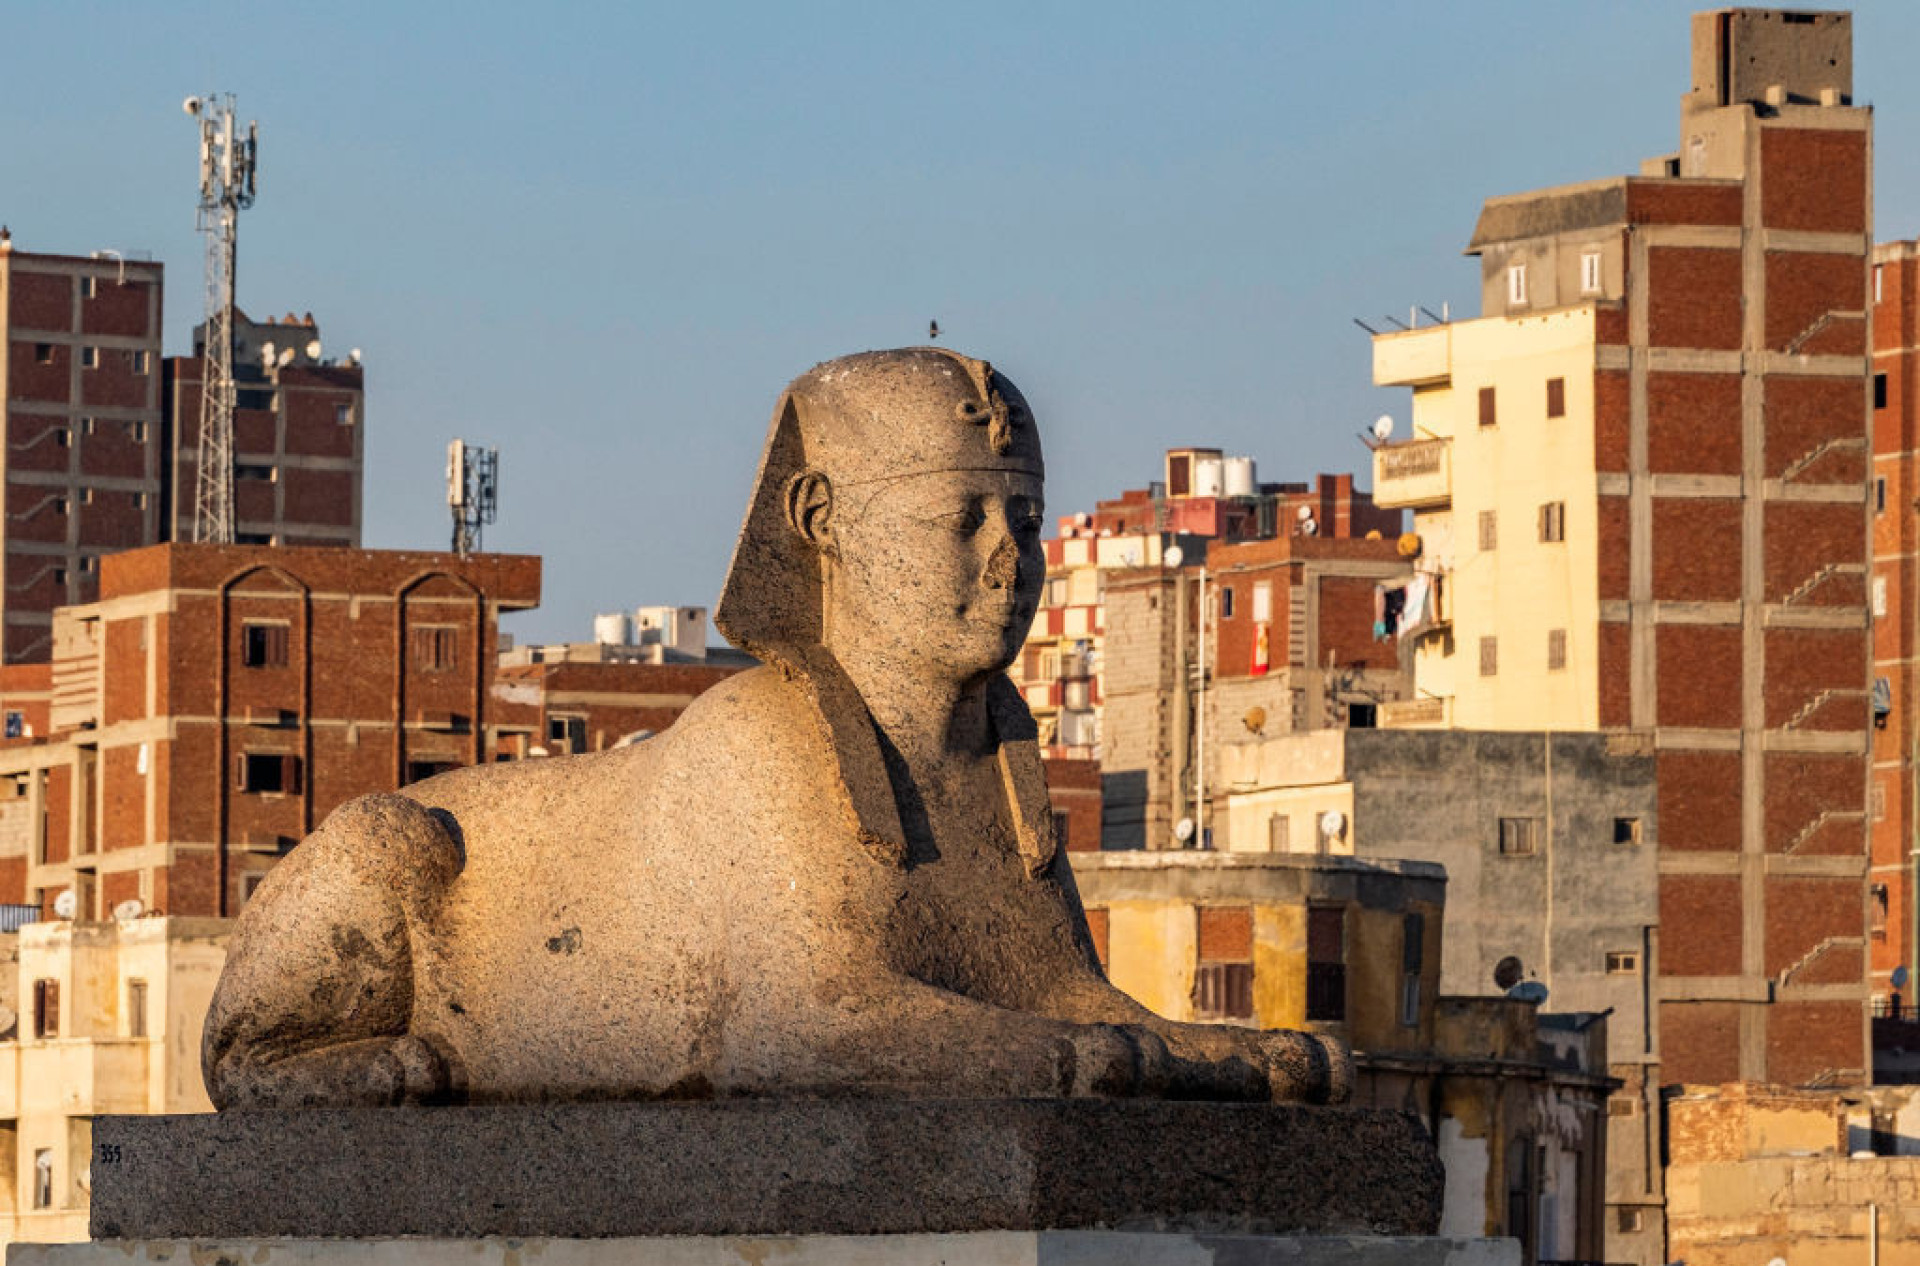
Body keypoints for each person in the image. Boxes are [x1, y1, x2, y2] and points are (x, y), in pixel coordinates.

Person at [203, 348, 1348, 1108]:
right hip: (453, 939)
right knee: (391, 851)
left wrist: (1239, 1061)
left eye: (1026, 517)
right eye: (962, 517)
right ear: (823, 521)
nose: (1011, 556)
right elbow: (801, 1026)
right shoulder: (763, 737)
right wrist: (1069, 1061)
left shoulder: (997, 747)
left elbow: (1064, 995)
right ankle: (273, 1068)